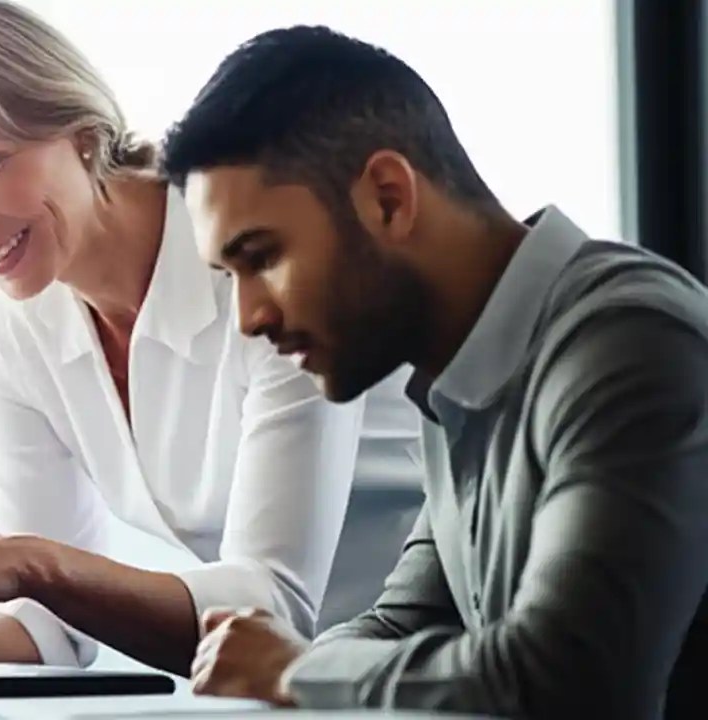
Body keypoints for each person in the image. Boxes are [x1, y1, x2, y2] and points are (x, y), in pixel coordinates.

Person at [0, 0, 421, 676]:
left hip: (430, 669)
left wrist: (29, 562)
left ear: (83, 133)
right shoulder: (18, 321)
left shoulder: (259, 261)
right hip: (284, 688)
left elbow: (268, 609)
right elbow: (56, 631)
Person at [161, 24, 708, 719]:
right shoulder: (456, 384)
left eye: (263, 257)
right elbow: (399, 624)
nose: (249, 318)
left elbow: (568, 678)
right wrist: (294, 666)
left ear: (388, 197)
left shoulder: (631, 340)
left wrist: (297, 672)